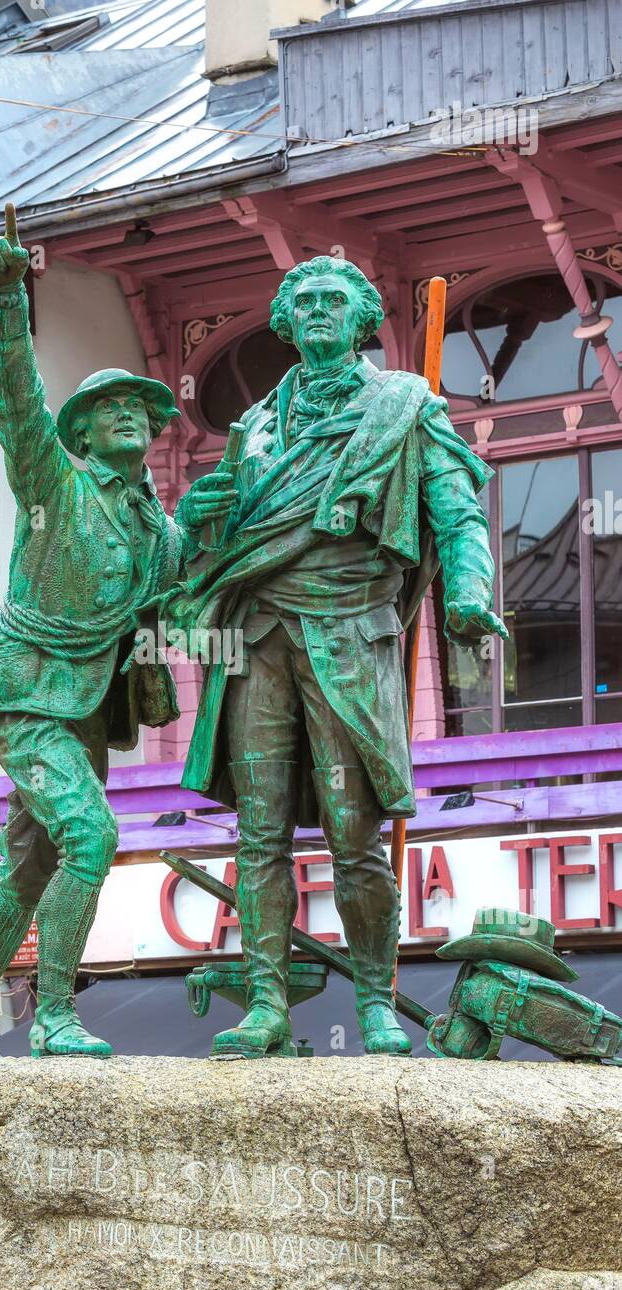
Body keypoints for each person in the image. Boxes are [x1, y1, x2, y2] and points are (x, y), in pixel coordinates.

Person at [167, 255, 507, 1059]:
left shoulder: (403, 405)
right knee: (259, 835)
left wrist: (466, 589)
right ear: (286, 322)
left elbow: (457, 508)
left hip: (352, 629)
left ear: (361, 321)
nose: (318, 311)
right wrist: (203, 519)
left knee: (356, 835)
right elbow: (225, 545)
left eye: (335, 300)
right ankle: (266, 1006)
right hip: (256, 639)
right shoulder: (252, 427)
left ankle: (377, 1004)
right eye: (304, 301)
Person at [0, 206, 233, 1065]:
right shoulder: (53, 484)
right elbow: (15, 396)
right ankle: (55, 1015)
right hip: (26, 692)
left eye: (143, 406)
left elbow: (179, 607)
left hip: (86, 710)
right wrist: (3, 298)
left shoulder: (159, 526)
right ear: (84, 431)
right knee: (92, 839)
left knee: (28, 873)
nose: (132, 415)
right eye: (112, 407)